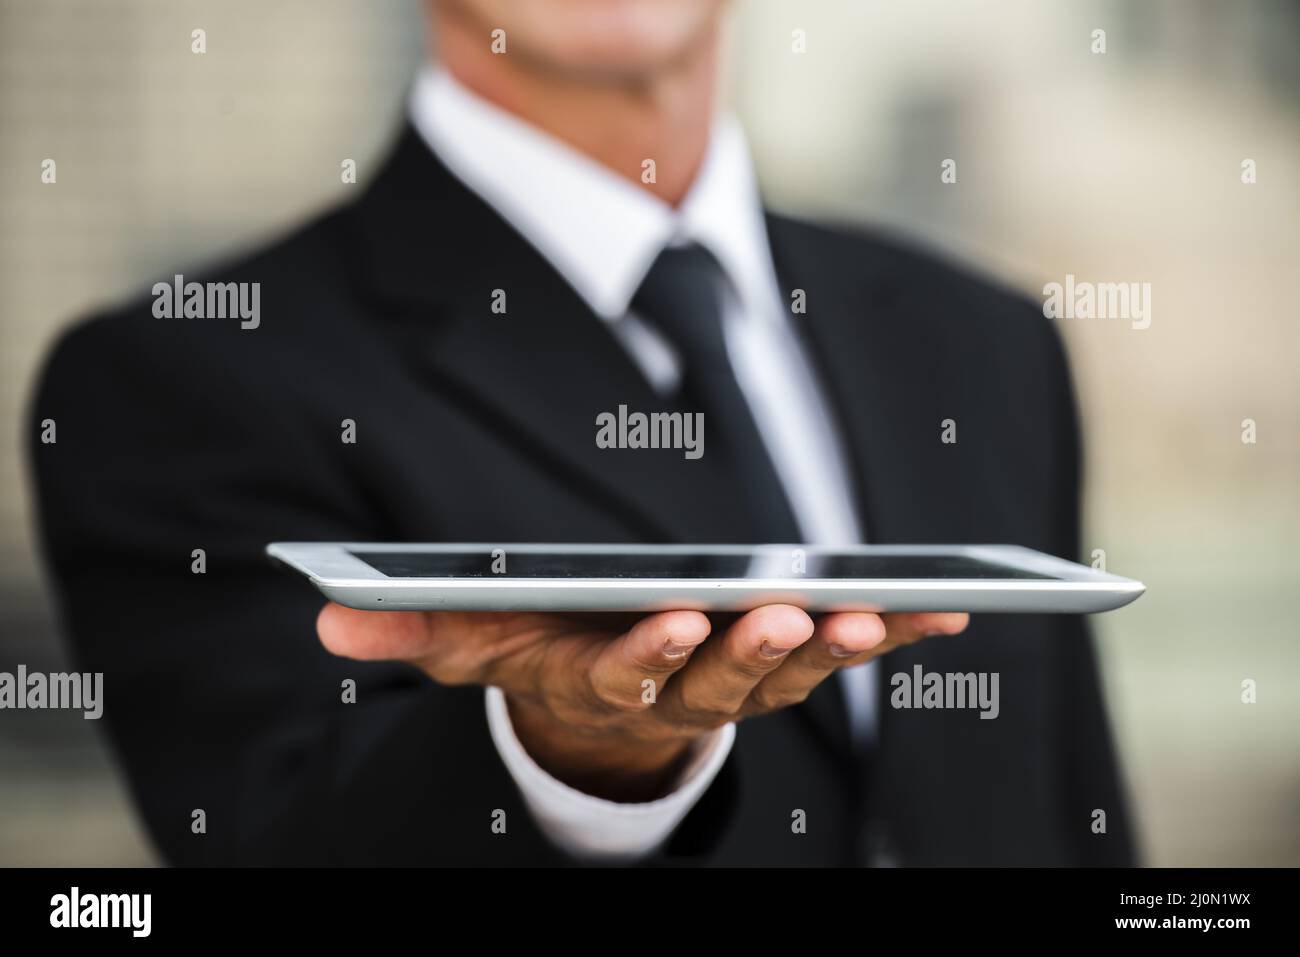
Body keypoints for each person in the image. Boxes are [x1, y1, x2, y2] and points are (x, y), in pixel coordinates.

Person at [29, 0, 1134, 865]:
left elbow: (1075, 817)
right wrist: (571, 757)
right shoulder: (183, 377)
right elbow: (284, 839)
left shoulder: (982, 341)